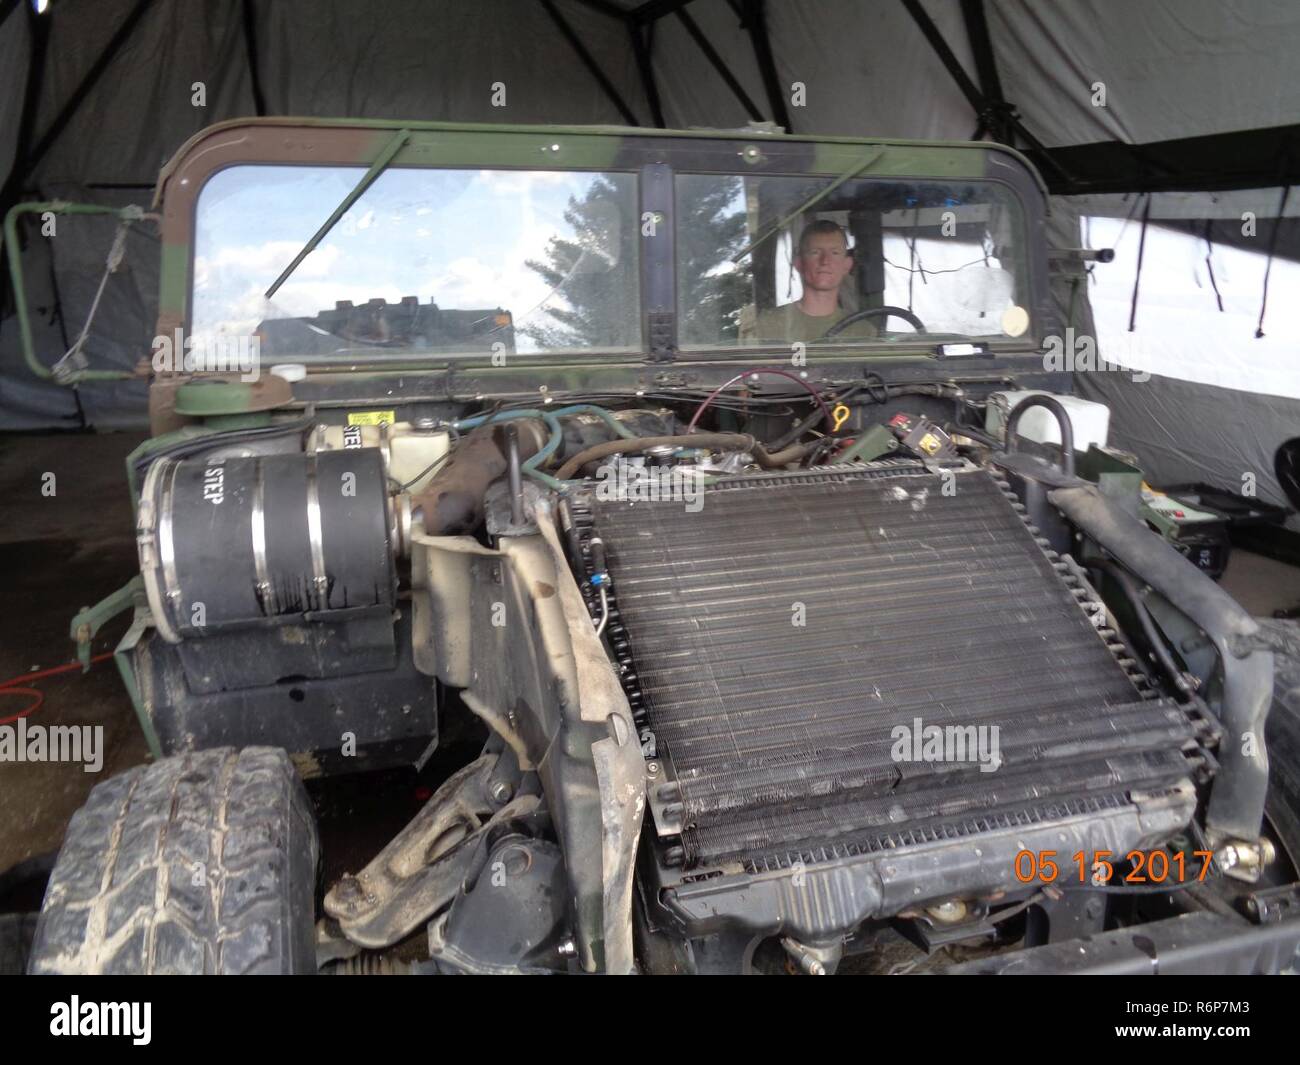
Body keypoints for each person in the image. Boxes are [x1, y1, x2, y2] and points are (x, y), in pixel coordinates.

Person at [749, 220, 878, 343]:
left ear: (847, 265)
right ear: (799, 263)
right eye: (815, 252)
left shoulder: (864, 332)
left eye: (835, 253)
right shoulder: (767, 326)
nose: (825, 261)